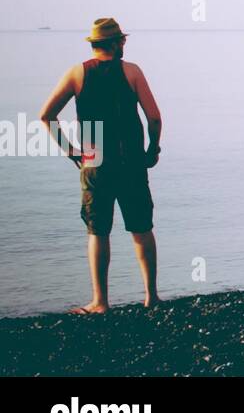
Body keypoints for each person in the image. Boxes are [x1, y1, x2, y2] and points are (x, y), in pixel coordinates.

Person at [39, 18, 163, 313]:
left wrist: (73, 152)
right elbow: (154, 118)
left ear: (94, 45)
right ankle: (151, 297)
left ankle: (100, 301)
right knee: (141, 229)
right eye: (122, 41)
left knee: (97, 231)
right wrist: (152, 149)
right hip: (131, 160)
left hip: (95, 160)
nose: (124, 45)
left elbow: (47, 116)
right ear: (116, 43)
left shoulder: (77, 73)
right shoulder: (131, 72)